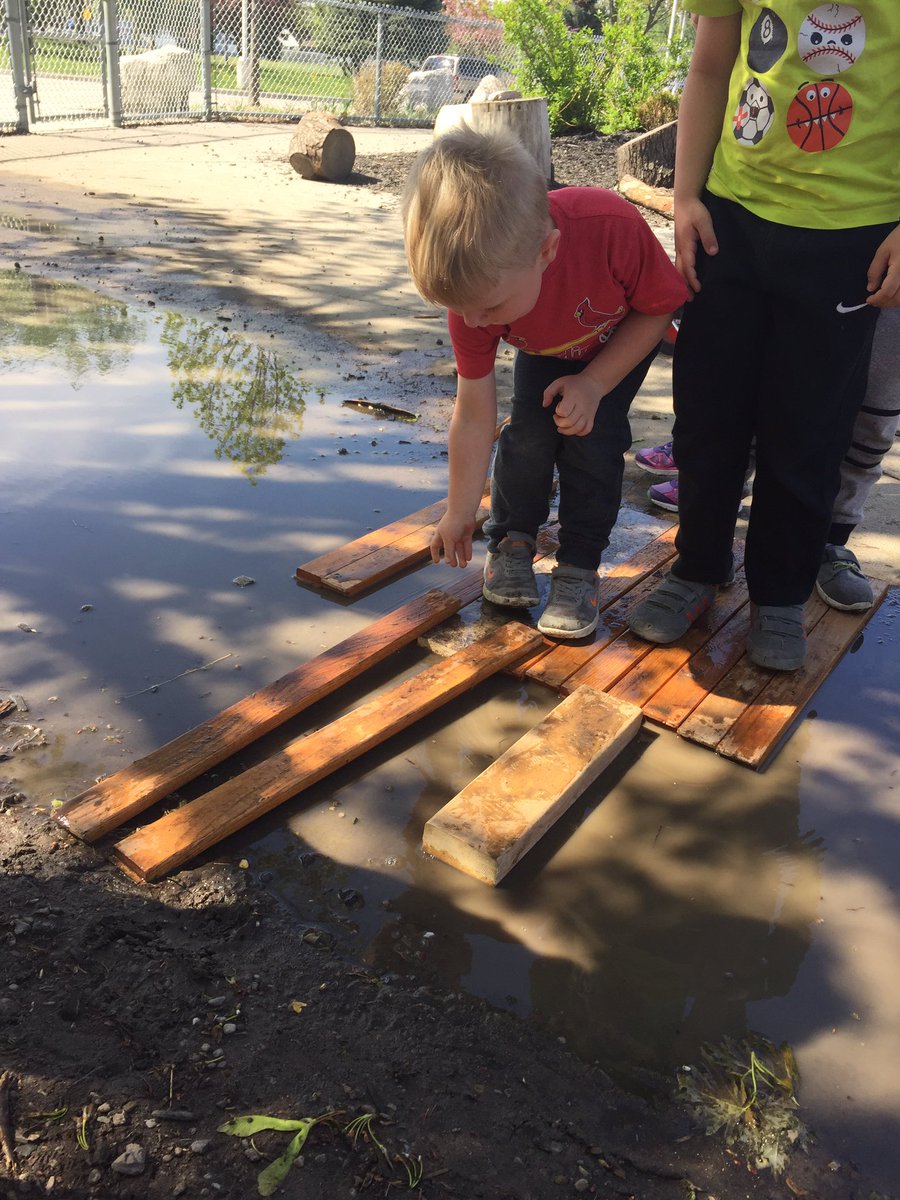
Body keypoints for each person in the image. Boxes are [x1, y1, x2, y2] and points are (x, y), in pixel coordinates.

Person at [627, 1, 899, 670]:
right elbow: (712, 65)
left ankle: (779, 595)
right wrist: (686, 195)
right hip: (732, 218)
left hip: (852, 234)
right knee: (708, 412)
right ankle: (697, 567)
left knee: (808, 429)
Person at [401, 126, 688, 639]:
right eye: (457, 308)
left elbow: (660, 307)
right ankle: (513, 541)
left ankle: (579, 566)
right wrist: (459, 509)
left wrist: (595, 383)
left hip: (615, 341)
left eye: (487, 308)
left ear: (547, 252)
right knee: (529, 432)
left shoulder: (607, 225)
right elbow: (472, 413)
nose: (472, 322)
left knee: (590, 439)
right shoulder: (473, 305)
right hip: (544, 343)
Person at [636, 308, 900, 611]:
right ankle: (708, 543)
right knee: (764, 393)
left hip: (890, 306)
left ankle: (831, 541)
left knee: (870, 421)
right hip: (811, 276)